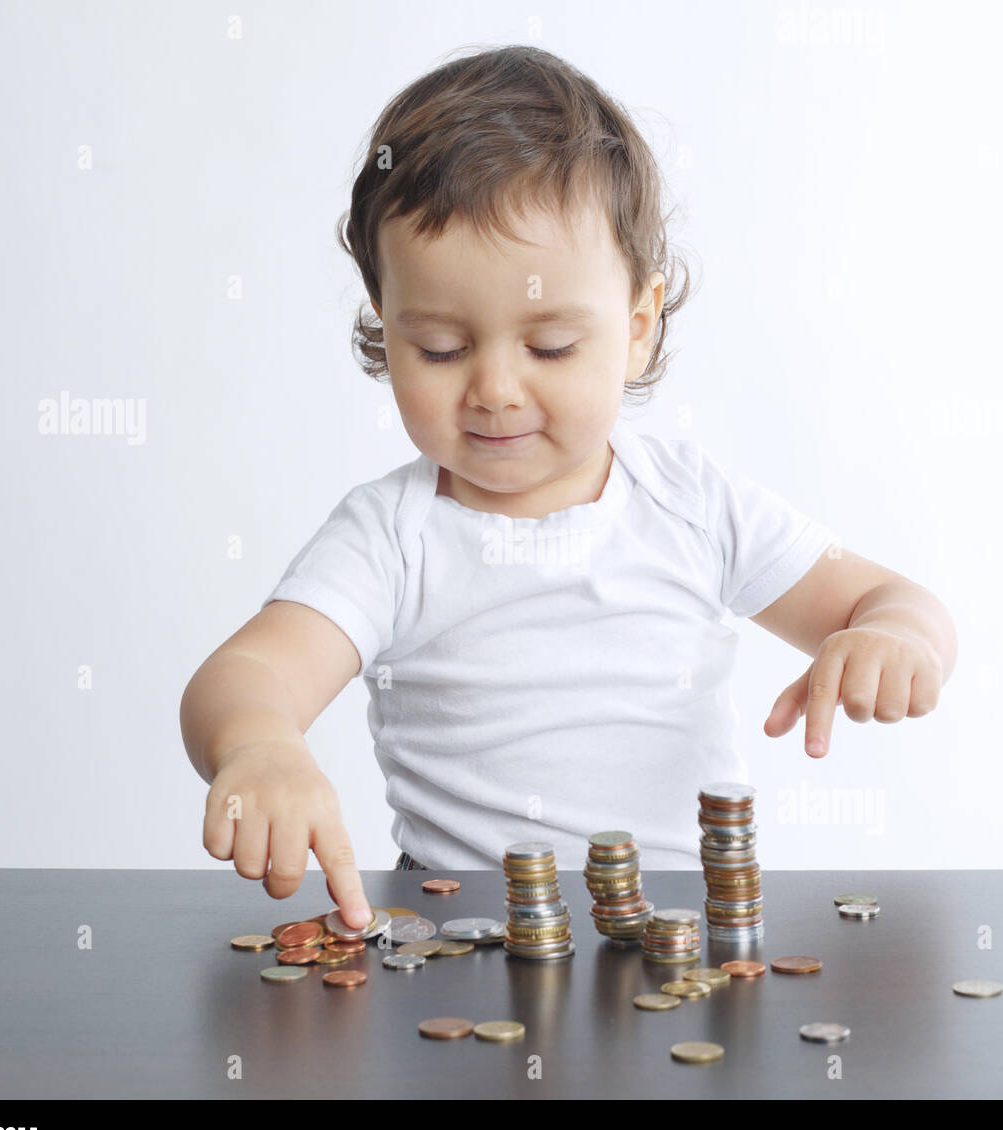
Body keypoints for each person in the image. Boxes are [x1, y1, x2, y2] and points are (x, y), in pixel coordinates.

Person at [180, 45, 956, 931]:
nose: (497, 388)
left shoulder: (693, 504)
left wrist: (897, 637)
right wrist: (259, 745)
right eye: (439, 347)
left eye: (549, 346)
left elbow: (891, 599)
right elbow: (244, 673)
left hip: (682, 934)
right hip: (465, 944)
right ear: (384, 332)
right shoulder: (392, 536)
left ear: (635, 328)